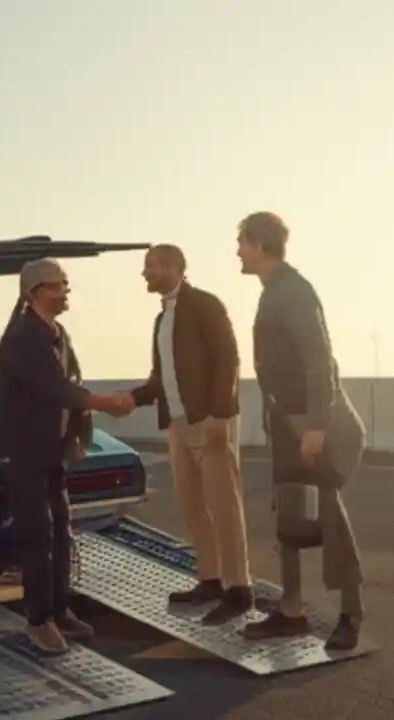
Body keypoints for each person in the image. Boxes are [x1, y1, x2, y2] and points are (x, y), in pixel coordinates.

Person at [234, 211, 366, 651]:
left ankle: (351, 614)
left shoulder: (293, 291)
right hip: (290, 426)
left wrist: (316, 425)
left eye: (241, 242)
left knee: (330, 521)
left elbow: (318, 358)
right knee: (291, 520)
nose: (237, 251)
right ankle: (291, 611)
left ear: (258, 243)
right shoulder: (274, 291)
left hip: (319, 428)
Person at [0, 257, 131, 655]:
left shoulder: (58, 333)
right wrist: (106, 402)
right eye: (55, 286)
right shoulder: (22, 337)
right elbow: (55, 387)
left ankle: (60, 608)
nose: (64, 292)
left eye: (66, 284)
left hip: (52, 450)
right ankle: (38, 621)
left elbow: (72, 381)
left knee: (60, 528)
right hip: (23, 451)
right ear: (33, 293)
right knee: (37, 535)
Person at [116, 244, 253, 624]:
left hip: (209, 420)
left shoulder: (205, 305)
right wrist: (132, 398)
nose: (146, 273)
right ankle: (210, 579)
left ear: (177, 268)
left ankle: (239, 589)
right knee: (193, 505)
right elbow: (162, 378)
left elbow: (228, 359)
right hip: (178, 422)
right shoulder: (163, 318)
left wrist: (219, 415)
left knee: (224, 504)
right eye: (146, 267)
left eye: (153, 266)